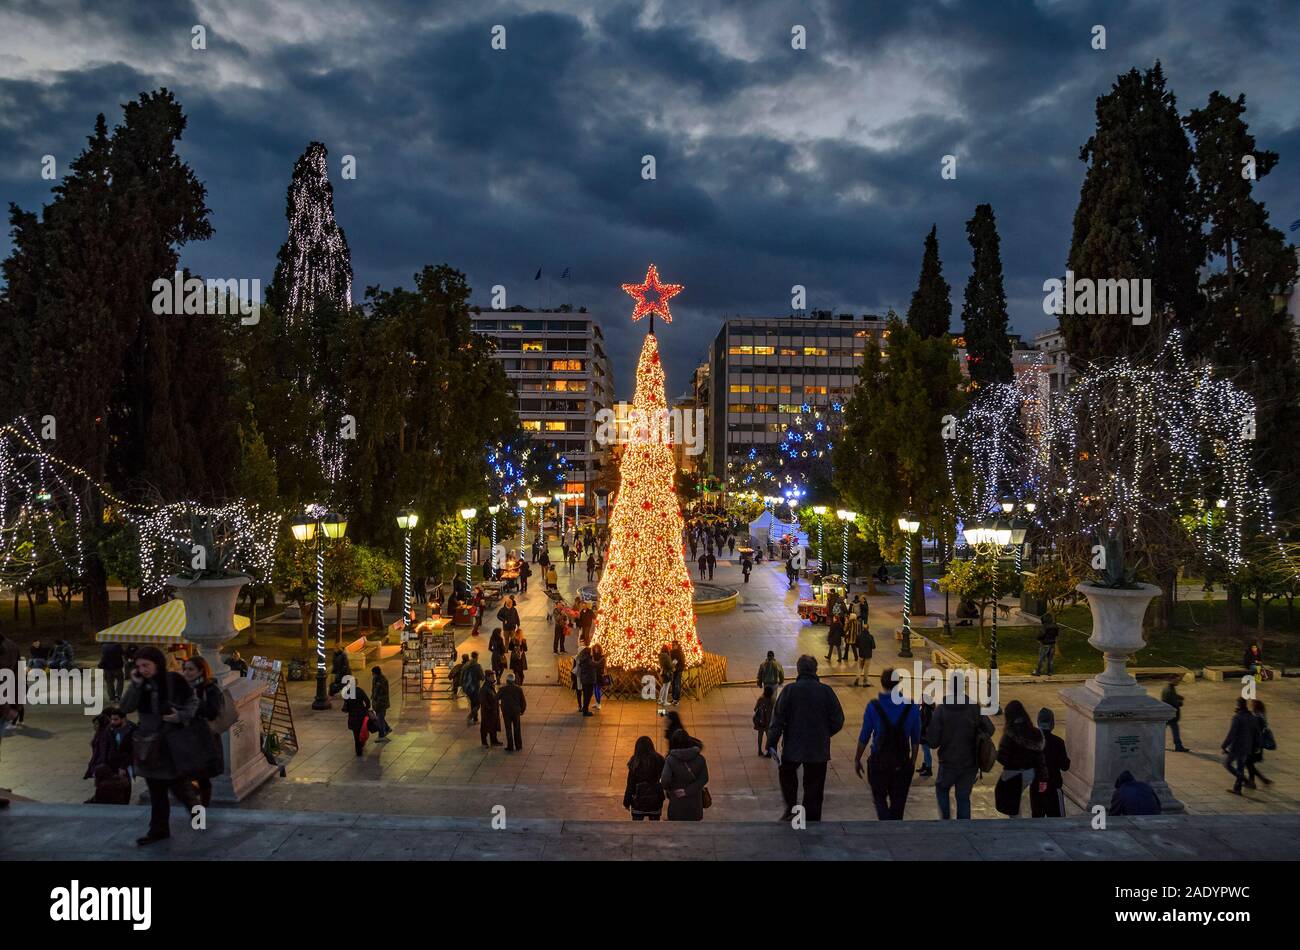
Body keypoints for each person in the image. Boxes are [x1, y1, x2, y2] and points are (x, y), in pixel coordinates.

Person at [120, 646, 200, 846]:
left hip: (172, 746)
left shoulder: (174, 680)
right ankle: (158, 830)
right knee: (156, 793)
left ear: (157, 663)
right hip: (149, 747)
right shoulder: (140, 685)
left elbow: (192, 702)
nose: (143, 669)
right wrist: (135, 685)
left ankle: (200, 817)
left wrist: (179, 716)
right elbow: (125, 707)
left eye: (146, 665)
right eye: (139, 666)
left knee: (182, 790)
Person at [767, 655, 845, 822]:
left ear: (798, 670)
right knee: (815, 784)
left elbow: (778, 719)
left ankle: (792, 808)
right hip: (818, 748)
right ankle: (812, 817)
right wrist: (824, 732)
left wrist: (771, 742)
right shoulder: (826, 691)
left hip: (794, 745)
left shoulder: (790, 690)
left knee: (787, 773)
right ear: (815, 670)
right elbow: (838, 720)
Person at [854, 667, 921, 820]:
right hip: (901, 763)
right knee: (898, 806)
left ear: (882, 684)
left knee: (879, 800)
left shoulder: (873, 706)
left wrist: (857, 759)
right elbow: (916, 740)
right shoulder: (911, 707)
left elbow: (864, 736)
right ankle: (894, 828)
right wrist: (911, 762)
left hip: (879, 763)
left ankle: (885, 824)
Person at [926, 695, 995, 820]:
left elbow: (933, 742)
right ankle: (964, 827)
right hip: (970, 763)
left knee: (942, 789)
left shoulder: (941, 709)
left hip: (948, 762)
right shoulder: (974, 707)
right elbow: (990, 729)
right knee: (963, 797)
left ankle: (946, 820)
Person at [180, 656, 227, 807]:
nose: (187, 672)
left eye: (191, 669)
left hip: (203, 738)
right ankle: (195, 800)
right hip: (185, 738)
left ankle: (203, 807)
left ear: (201, 671)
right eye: (185, 669)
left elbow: (213, 712)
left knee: (202, 776)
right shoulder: (182, 687)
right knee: (180, 774)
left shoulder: (210, 689)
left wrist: (195, 701)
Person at [995, 699, 1047, 816]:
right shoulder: (1035, 732)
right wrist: (1043, 779)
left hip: (1012, 774)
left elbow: (1003, 759)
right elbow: (1040, 759)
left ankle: (1018, 824)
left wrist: (995, 754)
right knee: (1017, 799)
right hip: (1029, 773)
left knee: (1010, 803)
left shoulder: (1009, 734)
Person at [83, 707, 136, 804]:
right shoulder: (109, 729)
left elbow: (131, 751)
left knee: (124, 784)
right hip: (111, 763)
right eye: (111, 719)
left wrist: (123, 766)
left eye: (115, 719)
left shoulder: (131, 730)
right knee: (114, 784)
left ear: (123, 719)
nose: (112, 722)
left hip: (123, 763)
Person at [660, 729, 709, 821]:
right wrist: (687, 791)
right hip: (695, 804)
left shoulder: (670, 760)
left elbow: (665, 780)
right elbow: (704, 778)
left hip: (677, 802)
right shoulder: (700, 759)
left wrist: (670, 790)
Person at [1030, 707, 1069, 817]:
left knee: (1037, 819)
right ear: (1052, 724)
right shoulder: (1058, 742)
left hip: (1036, 787)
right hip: (1052, 787)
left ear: (1038, 723)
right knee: (1057, 822)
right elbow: (1065, 766)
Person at [623, 736, 666, 820]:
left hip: (638, 802)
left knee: (637, 829)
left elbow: (630, 784)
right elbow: (665, 778)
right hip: (655, 801)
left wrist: (626, 802)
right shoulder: (659, 759)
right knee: (654, 829)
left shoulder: (635, 761)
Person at [1223, 697, 1258, 795]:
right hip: (1247, 746)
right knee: (1240, 767)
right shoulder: (1251, 717)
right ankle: (1237, 788)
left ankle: (1245, 780)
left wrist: (1224, 745)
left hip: (1237, 746)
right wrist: (1256, 745)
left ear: (1238, 705)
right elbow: (1256, 732)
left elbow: (1232, 733)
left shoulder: (1237, 717)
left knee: (1228, 764)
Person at [498, 671, 527, 752]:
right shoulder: (519, 689)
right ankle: (518, 746)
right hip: (516, 711)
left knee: (508, 728)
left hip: (506, 712)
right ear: (514, 681)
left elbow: (496, 698)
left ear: (507, 681)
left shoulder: (503, 689)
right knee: (517, 728)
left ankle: (510, 746)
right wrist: (522, 710)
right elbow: (523, 701)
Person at [342, 681, 372, 757]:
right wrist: (365, 708)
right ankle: (361, 743)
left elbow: (346, 706)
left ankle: (358, 750)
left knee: (356, 733)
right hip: (361, 714)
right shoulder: (360, 691)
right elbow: (367, 701)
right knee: (362, 730)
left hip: (353, 715)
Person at [1249, 700, 1274, 787]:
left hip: (1254, 744)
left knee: (1248, 762)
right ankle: (1254, 781)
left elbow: (1255, 731)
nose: (1251, 707)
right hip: (1257, 744)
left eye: (1252, 706)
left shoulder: (1256, 717)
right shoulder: (1262, 716)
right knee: (1249, 763)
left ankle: (1259, 780)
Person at [1162, 677, 1189, 752]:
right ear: (1171, 680)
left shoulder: (1169, 688)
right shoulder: (1169, 690)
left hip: (1168, 714)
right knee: (1175, 731)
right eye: (1176, 680)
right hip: (1171, 715)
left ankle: (1156, 743)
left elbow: (1172, 697)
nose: (1178, 682)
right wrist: (1180, 703)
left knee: (1161, 730)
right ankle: (1178, 746)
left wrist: (1179, 697)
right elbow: (1173, 702)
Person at [479, 671, 502, 747]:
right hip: (487, 712)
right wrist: (490, 708)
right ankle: (484, 742)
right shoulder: (485, 688)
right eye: (492, 676)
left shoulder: (491, 686)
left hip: (493, 711)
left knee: (493, 725)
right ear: (488, 677)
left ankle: (494, 740)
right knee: (485, 726)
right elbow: (483, 701)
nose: (494, 678)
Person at [370, 666, 392, 741]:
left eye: (373, 673)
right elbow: (374, 690)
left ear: (376, 673)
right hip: (377, 702)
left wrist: (376, 698)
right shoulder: (375, 679)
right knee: (380, 718)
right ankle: (387, 728)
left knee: (380, 718)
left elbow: (382, 692)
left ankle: (382, 735)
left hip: (381, 702)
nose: (372, 674)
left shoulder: (382, 680)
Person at [575, 643, 597, 716]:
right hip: (587, 679)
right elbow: (595, 665)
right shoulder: (587, 659)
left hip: (584, 679)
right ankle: (585, 709)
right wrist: (603, 659)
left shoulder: (582, 658)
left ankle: (584, 708)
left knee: (585, 694)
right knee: (587, 695)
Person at [753, 685, 776, 757]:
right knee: (768, 736)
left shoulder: (761, 699)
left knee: (760, 735)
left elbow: (755, 709)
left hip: (761, 720)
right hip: (769, 721)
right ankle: (769, 751)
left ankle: (759, 750)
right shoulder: (773, 700)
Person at [463, 652, 484, 725]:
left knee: (473, 702)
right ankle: (470, 716)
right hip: (474, 687)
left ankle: (475, 719)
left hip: (467, 687)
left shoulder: (466, 665)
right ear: (476, 657)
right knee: (478, 704)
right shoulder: (477, 666)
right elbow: (482, 677)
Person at [917, 694, 935, 778]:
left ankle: (928, 769)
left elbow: (926, 722)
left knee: (927, 751)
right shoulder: (925, 707)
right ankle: (925, 765)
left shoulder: (927, 709)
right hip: (926, 733)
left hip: (925, 734)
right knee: (925, 750)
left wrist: (921, 730)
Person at [852, 621, 875, 687]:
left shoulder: (859, 636)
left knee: (860, 667)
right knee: (866, 669)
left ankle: (857, 678)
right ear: (868, 629)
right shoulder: (870, 637)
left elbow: (856, 645)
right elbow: (873, 646)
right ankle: (865, 682)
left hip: (861, 655)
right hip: (868, 655)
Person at [656, 645, 675, 712]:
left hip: (663, 673)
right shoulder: (667, 656)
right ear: (667, 650)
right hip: (667, 673)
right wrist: (674, 664)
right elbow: (669, 666)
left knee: (663, 686)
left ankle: (660, 699)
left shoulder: (660, 656)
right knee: (666, 687)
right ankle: (664, 701)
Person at [591, 642, 608, 711]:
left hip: (599, 675)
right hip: (593, 674)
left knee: (598, 689)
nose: (596, 649)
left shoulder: (602, 657)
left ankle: (599, 703)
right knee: (594, 689)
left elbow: (600, 666)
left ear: (600, 649)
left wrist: (595, 665)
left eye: (597, 648)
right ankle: (596, 702)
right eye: (595, 648)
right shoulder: (593, 656)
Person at [670, 640, 686, 705]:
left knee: (677, 684)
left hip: (678, 670)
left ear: (677, 645)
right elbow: (671, 660)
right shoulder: (672, 652)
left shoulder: (679, 652)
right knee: (673, 684)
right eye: (672, 645)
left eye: (673, 645)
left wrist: (675, 666)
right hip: (674, 670)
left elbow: (680, 661)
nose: (672, 646)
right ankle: (674, 698)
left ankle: (676, 699)